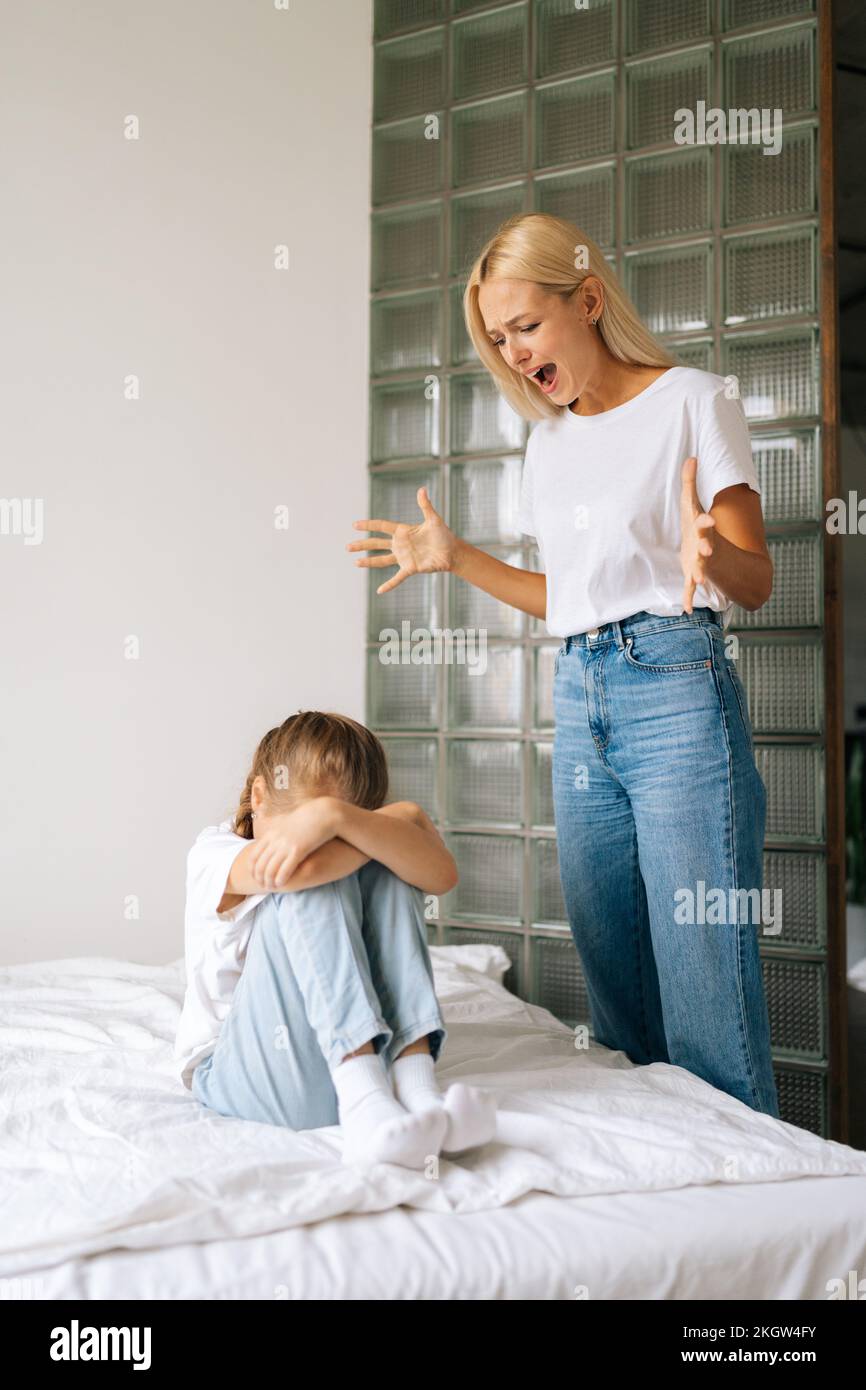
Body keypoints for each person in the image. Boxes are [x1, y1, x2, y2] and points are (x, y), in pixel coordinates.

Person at [347, 212, 780, 1118]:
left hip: (675, 684)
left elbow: (756, 579)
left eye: (526, 326)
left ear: (586, 299)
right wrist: (455, 557)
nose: (514, 354)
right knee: (616, 983)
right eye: (499, 339)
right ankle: (656, 1173)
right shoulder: (546, 445)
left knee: (704, 983)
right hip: (580, 692)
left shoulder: (694, 400)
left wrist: (709, 550)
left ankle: (750, 1172)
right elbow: (572, 597)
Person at [174, 709, 498, 1167]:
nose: (323, 833)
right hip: (247, 1077)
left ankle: (420, 1094)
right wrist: (389, 819)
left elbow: (441, 876)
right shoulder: (213, 852)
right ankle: (364, 1096)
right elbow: (296, 872)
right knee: (324, 870)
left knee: (390, 863)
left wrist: (344, 821)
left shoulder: (346, 824)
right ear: (258, 796)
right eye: (306, 827)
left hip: (357, 1074)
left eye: (343, 820)